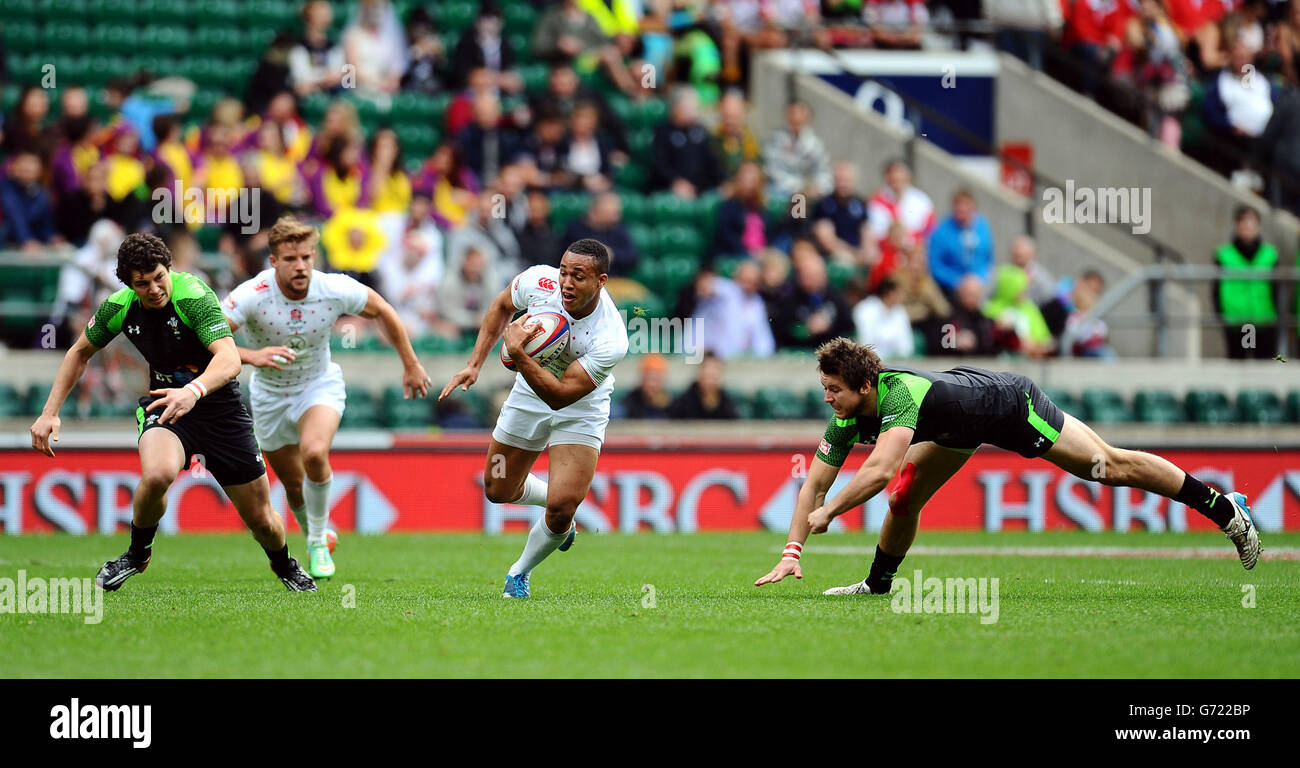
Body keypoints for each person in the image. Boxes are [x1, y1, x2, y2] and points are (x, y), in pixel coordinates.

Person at [753, 338, 1263, 593]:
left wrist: (832, 513)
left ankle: (1224, 509)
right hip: (960, 426)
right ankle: (876, 587)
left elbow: (878, 469)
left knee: (1108, 465)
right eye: (824, 389)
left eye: (834, 390)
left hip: (1010, 407)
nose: (828, 399)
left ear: (865, 385)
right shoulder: (846, 415)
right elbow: (813, 483)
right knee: (905, 498)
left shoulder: (898, 395)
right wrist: (793, 549)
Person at [29, 233, 317, 592]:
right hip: (166, 403)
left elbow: (228, 359)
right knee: (158, 473)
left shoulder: (193, 295)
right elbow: (78, 352)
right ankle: (136, 554)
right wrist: (49, 412)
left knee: (262, 521)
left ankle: (284, 564)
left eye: (159, 277)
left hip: (220, 409)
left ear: (170, 268)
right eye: (142, 283)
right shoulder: (119, 307)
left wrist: (193, 391)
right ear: (128, 284)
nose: (153, 288)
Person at [223, 216, 431, 579]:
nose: (300, 266)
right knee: (291, 483)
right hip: (269, 394)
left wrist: (411, 364)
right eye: (290, 259)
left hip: (318, 385)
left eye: (306, 257)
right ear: (273, 262)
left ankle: (317, 543)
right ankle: (317, 532)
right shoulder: (252, 295)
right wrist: (254, 357)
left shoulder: (333, 288)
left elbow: (382, 309)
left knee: (315, 453)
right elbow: (209, 340)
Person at [439, 239, 629, 598]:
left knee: (561, 509)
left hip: (580, 406)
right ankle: (554, 498)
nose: (567, 283)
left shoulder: (611, 337)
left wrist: (517, 354)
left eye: (579, 276)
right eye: (564, 271)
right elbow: (499, 306)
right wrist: (475, 364)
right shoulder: (539, 282)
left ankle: (519, 573)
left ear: (601, 281)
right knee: (497, 489)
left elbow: (560, 396)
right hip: (528, 395)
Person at [1214, 205, 1279, 358]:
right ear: (1237, 225)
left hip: (1263, 321)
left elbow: (1277, 290)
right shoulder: (1224, 254)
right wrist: (1221, 315)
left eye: (1251, 222)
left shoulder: (1270, 254)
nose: (1247, 227)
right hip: (1236, 322)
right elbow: (1215, 289)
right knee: (1238, 369)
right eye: (1243, 222)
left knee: (1265, 367)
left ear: (1258, 226)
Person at [853, 278, 914, 359]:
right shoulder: (865, 309)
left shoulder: (900, 311)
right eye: (899, 293)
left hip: (897, 362)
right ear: (890, 293)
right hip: (871, 361)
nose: (903, 297)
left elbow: (906, 344)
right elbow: (865, 340)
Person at [668, 352, 740, 420]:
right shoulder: (683, 403)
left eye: (714, 371)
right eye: (707, 371)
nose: (710, 375)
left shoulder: (728, 403)